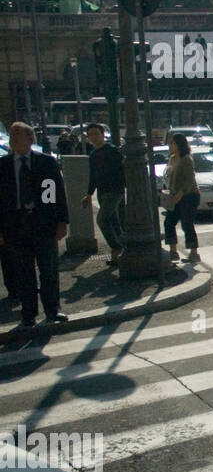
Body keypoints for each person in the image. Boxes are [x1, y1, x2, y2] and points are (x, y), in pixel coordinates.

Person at [0, 122, 69, 326]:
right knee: (23, 272)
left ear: (30, 139)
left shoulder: (44, 162)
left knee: (48, 270)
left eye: (18, 135)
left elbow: (54, 194)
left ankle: (53, 310)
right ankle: (28, 313)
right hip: (15, 225)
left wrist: (61, 221)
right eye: (12, 136)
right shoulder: (3, 165)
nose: (13, 139)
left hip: (42, 223)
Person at [82, 123, 125, 268]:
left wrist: (122, 186)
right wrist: (89, 194)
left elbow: (121, 171)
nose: (93, 137)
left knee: (102, 219)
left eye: (96, 134)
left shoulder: (113, 151)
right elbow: (93, 177)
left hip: (114, 191)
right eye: (90, 135)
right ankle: (118, 257)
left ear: (103, 134)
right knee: (113, 222)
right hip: (102, 192)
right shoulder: (93, 155)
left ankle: (117, 247)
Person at [161, 132, 201, 263]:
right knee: (169, 222)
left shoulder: (186, 159)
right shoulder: (172, 158)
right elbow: (168, 178)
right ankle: (173, 252)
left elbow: (190, 179)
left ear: (179, 144)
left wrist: (181, 193)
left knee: (187, 223)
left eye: (172, 142)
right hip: (173, 195)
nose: (169, 145)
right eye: (169, 142)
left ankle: (194, 253)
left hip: (189, 195)